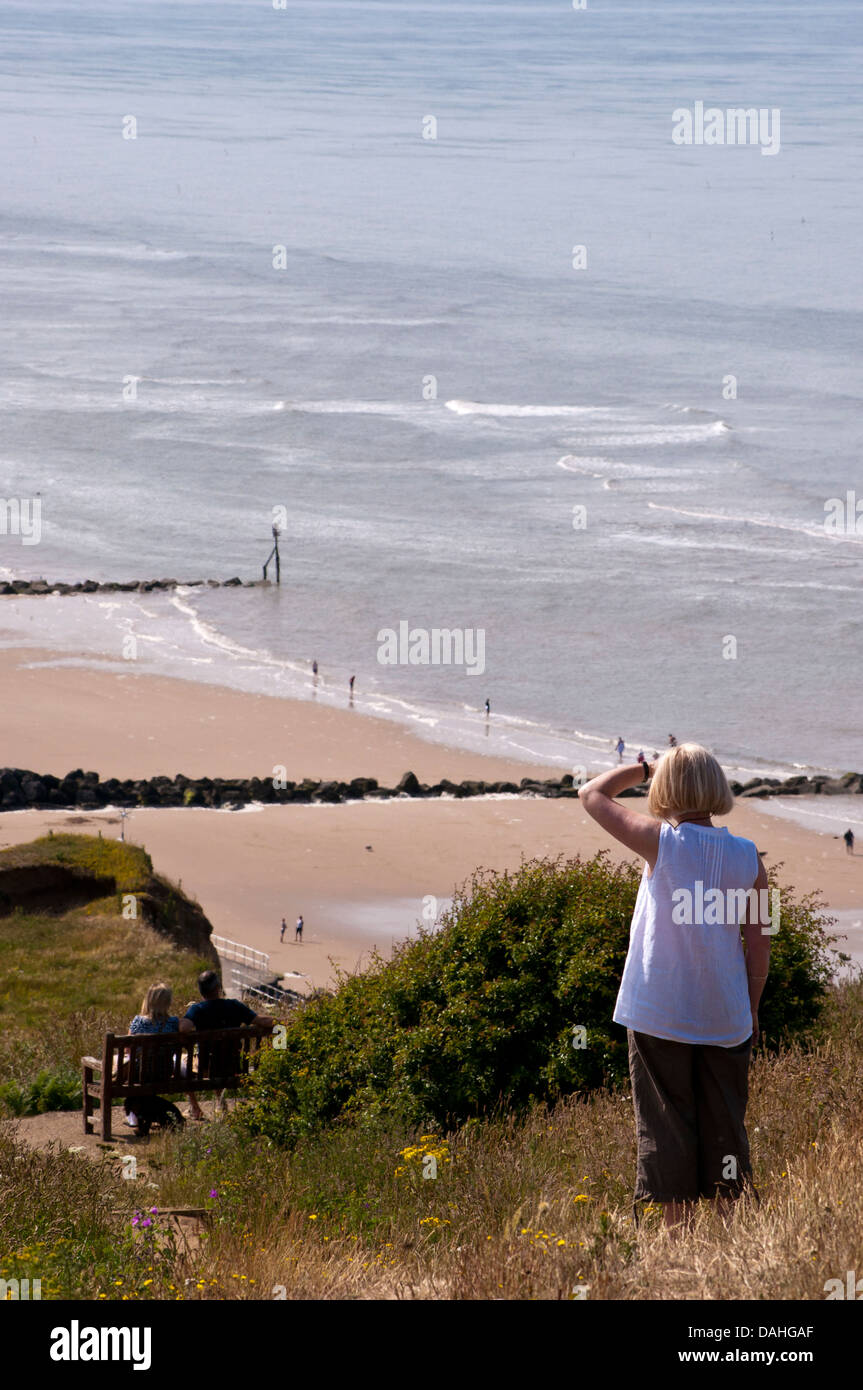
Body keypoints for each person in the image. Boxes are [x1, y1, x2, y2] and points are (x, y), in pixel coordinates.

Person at [578, 743, 770, 1232]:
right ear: (717, 786)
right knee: (726, 1133)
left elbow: (592, 793)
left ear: (664, 787)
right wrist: (747, 1011)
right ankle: (733, 1246)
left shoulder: (660, 842)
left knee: (667, 1130)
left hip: (659, 1010)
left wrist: (644, 767)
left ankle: (677, 1247)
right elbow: (759, 946)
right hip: (726, 1017)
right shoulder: (750, 858)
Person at [179, 971, 273, 1121]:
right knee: (218, 1057)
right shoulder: (234, 1006)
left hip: (206, 1066)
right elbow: (262, 1021)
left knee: (181, 1063)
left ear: (201, 991)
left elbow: (183, 1028)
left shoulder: (197, 1010)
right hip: (233, 1065)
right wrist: (283, 1021)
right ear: (218, 988)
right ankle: (220, 1104)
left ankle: (195, 1108)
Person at [124, 984, 183, 1133]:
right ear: (168, 1002)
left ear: (148, 1001)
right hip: (164, 1072)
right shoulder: (174, 1023)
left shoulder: (138, 1021)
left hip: (141, 1074)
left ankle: (137, 1113)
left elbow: (127, 1049)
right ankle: (144, 1114)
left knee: (130, 1074)